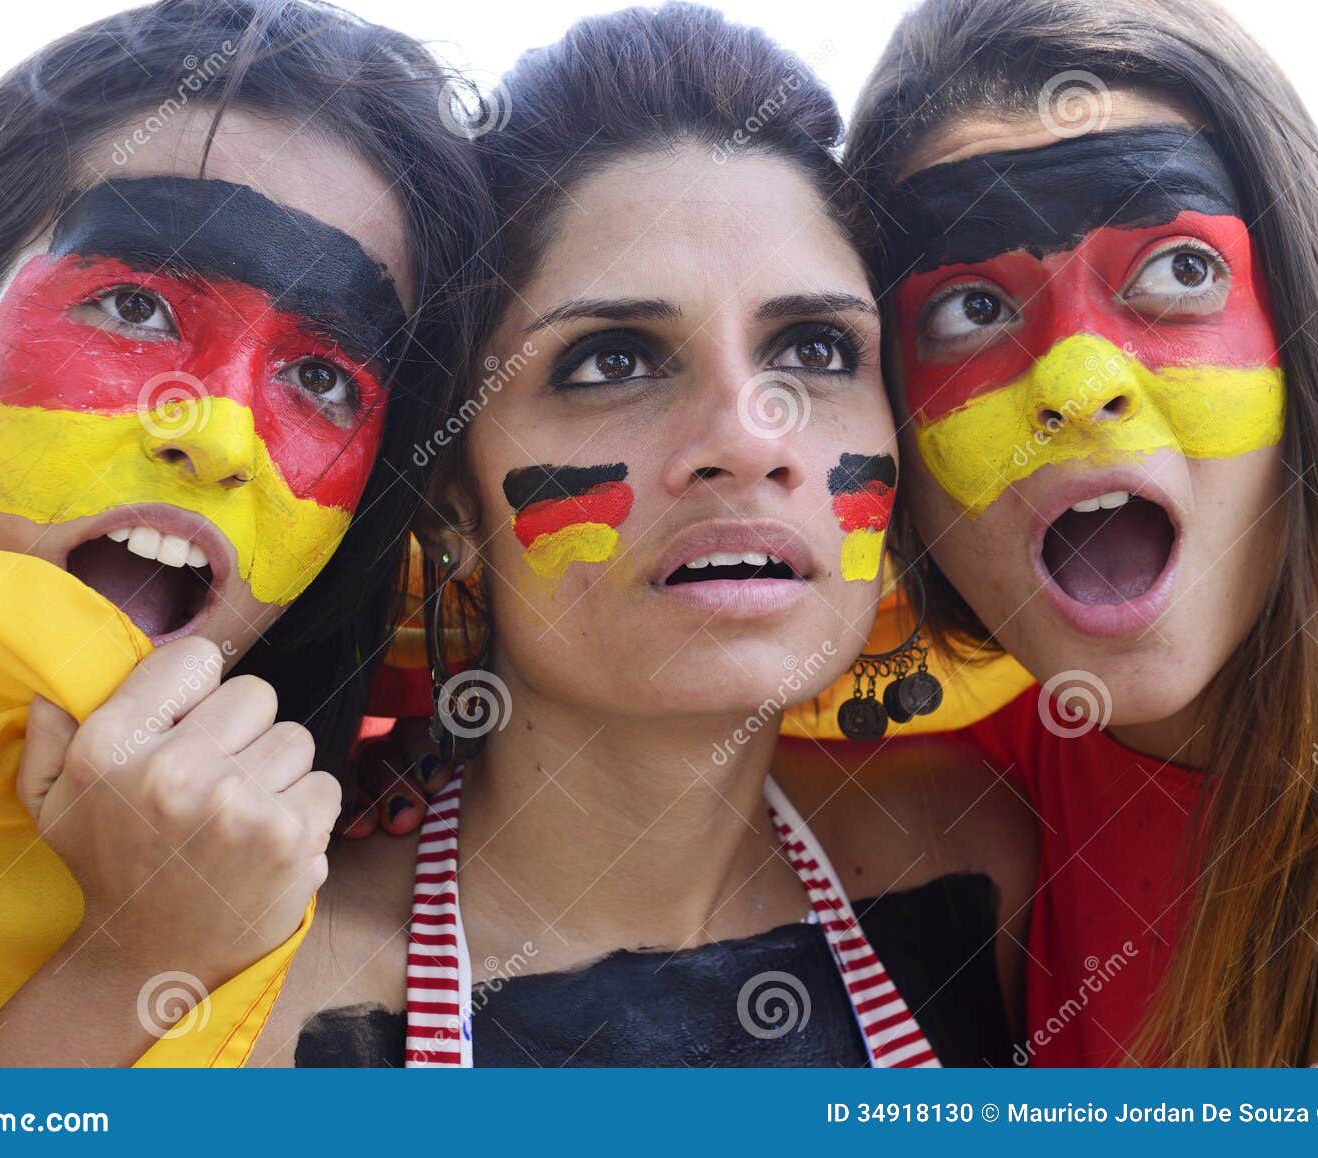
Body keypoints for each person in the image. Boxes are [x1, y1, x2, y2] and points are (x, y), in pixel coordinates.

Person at [253, 3, 1037, 1068]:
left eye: (812, 347)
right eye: (612, 360)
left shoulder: (992, 852)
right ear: (450, 503)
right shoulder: (261, 984)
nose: (747, 440)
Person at [0, 0, 491, 1067]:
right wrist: (134, 964)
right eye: (136, 307)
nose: (219, 435)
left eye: (321, 378)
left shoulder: (388, 823)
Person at [833, 0, 1318, 1066]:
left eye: (1180, 271)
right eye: (970, 307)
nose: (1079, 384)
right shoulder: (898, 766)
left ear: (1306, 341)